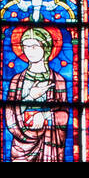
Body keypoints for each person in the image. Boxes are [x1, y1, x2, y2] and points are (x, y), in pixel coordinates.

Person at [5, 27, 70, 161]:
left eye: (34, 46)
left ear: (45, 48)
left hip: (50, 144)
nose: (30, 51)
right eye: (26, 47)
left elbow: (64, 114)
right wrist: (30, 97)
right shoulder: (16, 80)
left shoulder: (58, 80)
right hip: (21, 146)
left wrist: (46, 116)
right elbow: (9, 113)